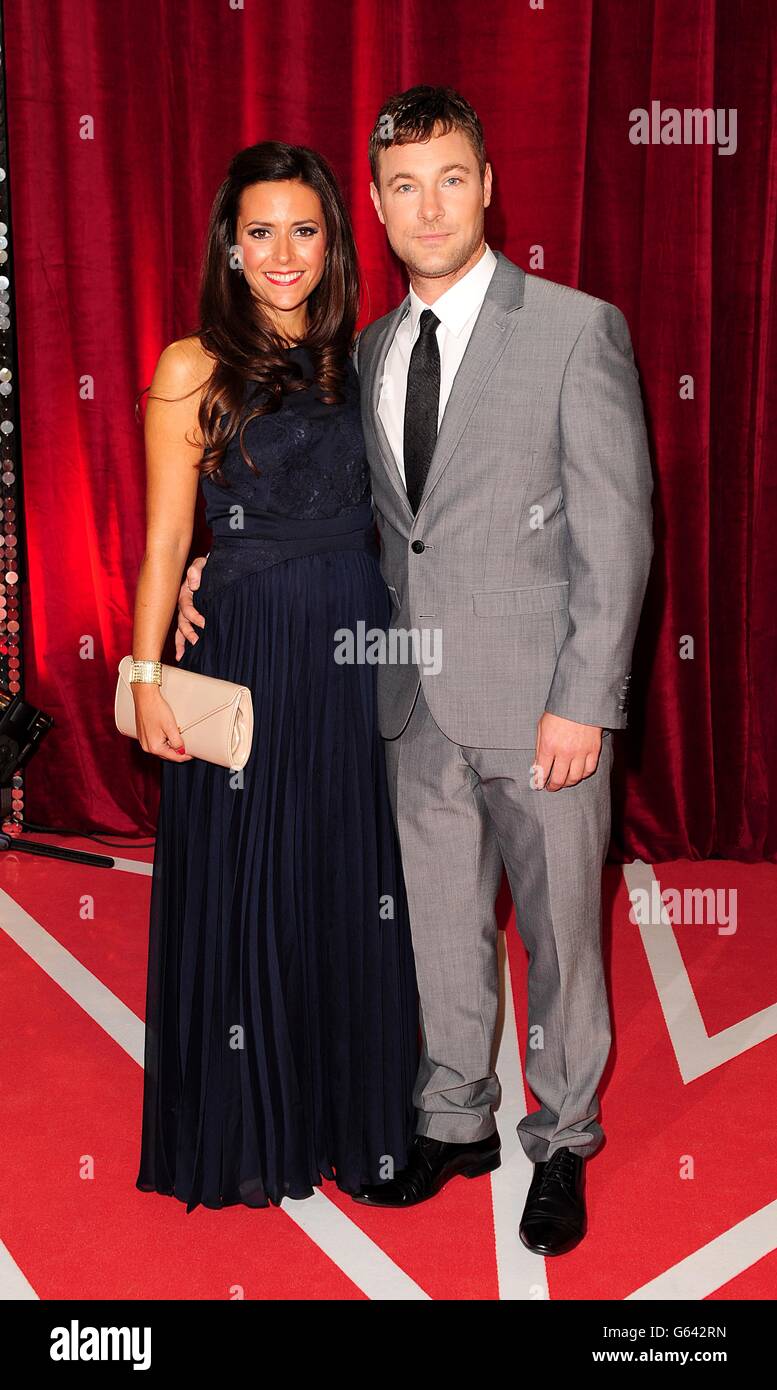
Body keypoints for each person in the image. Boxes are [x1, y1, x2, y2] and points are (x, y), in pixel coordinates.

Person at [178, 87, 654, 1254]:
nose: (429, 204)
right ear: (378, 213)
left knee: (562, 941)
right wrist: (210, 570)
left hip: (543, 705)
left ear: (487, 183)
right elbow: (353, 519)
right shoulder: (368, 350)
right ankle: (456, 1117)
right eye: (403, 185)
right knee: (437, 929)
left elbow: (620, 530)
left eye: (451, 177)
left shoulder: (574, 327)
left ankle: (565, 1133)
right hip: (407, 701)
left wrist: (584, 700)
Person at [131, 140, 418, 1213]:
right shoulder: (189, 364)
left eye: (305, 229)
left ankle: (355, 1117)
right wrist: (147, 667)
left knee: (353, 876)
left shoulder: (371, 356)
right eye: (261, 231)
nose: (284, 251)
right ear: (231, 247)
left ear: (334, 243)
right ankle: (256, 1121)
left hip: (355, 642)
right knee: (253, 876)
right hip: (245, 648)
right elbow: (166, 540)